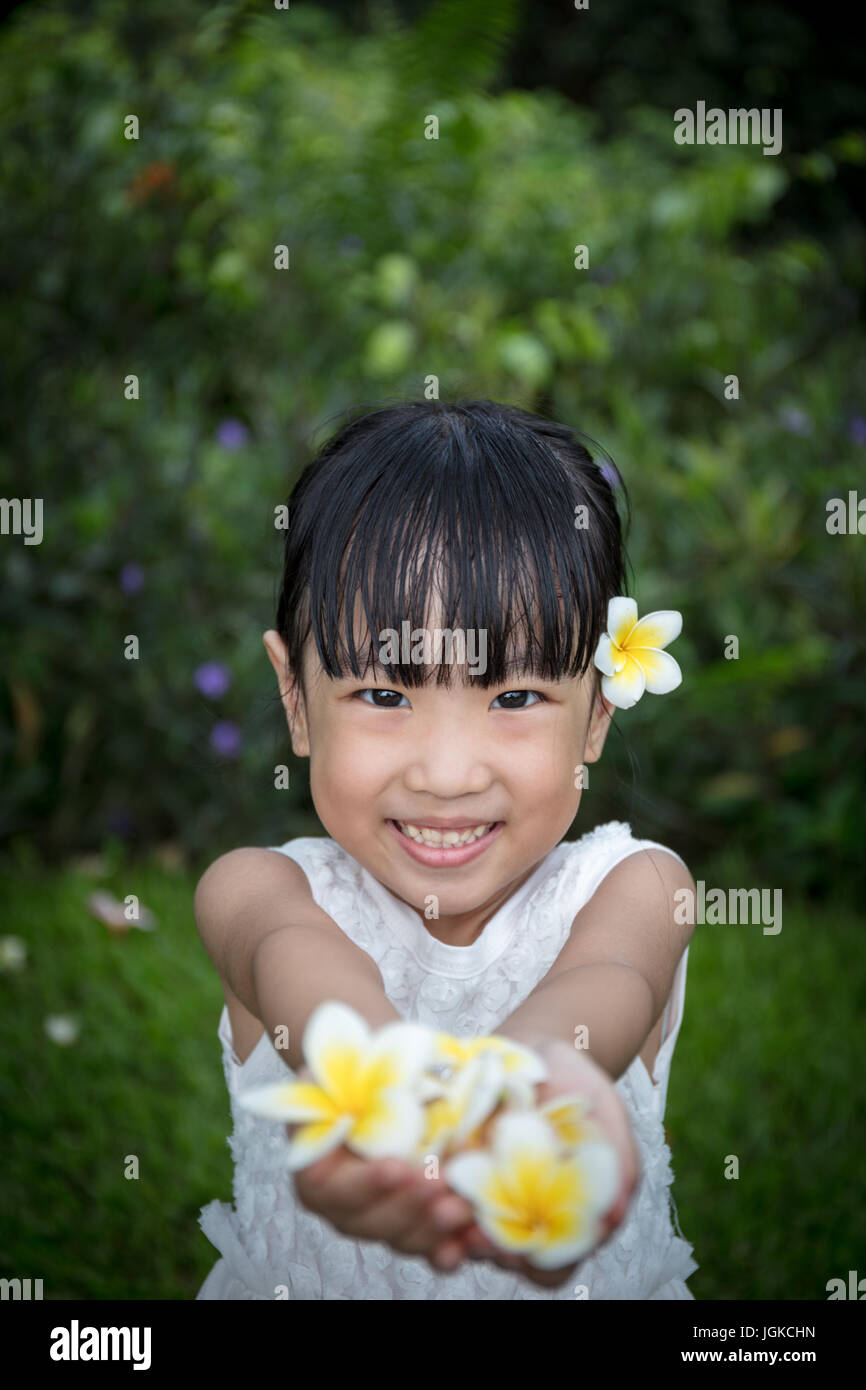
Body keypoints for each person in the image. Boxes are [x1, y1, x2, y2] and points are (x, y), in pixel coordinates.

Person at [194, 397, 699, 1300]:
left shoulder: (636, 888)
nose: (448, 773)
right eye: (385, 696)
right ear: (295, 697)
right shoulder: (257, 893)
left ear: (598, 714)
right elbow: (303, 972)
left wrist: (528, 1093)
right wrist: (395, 1096)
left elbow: (603, 988)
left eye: (514, 699)